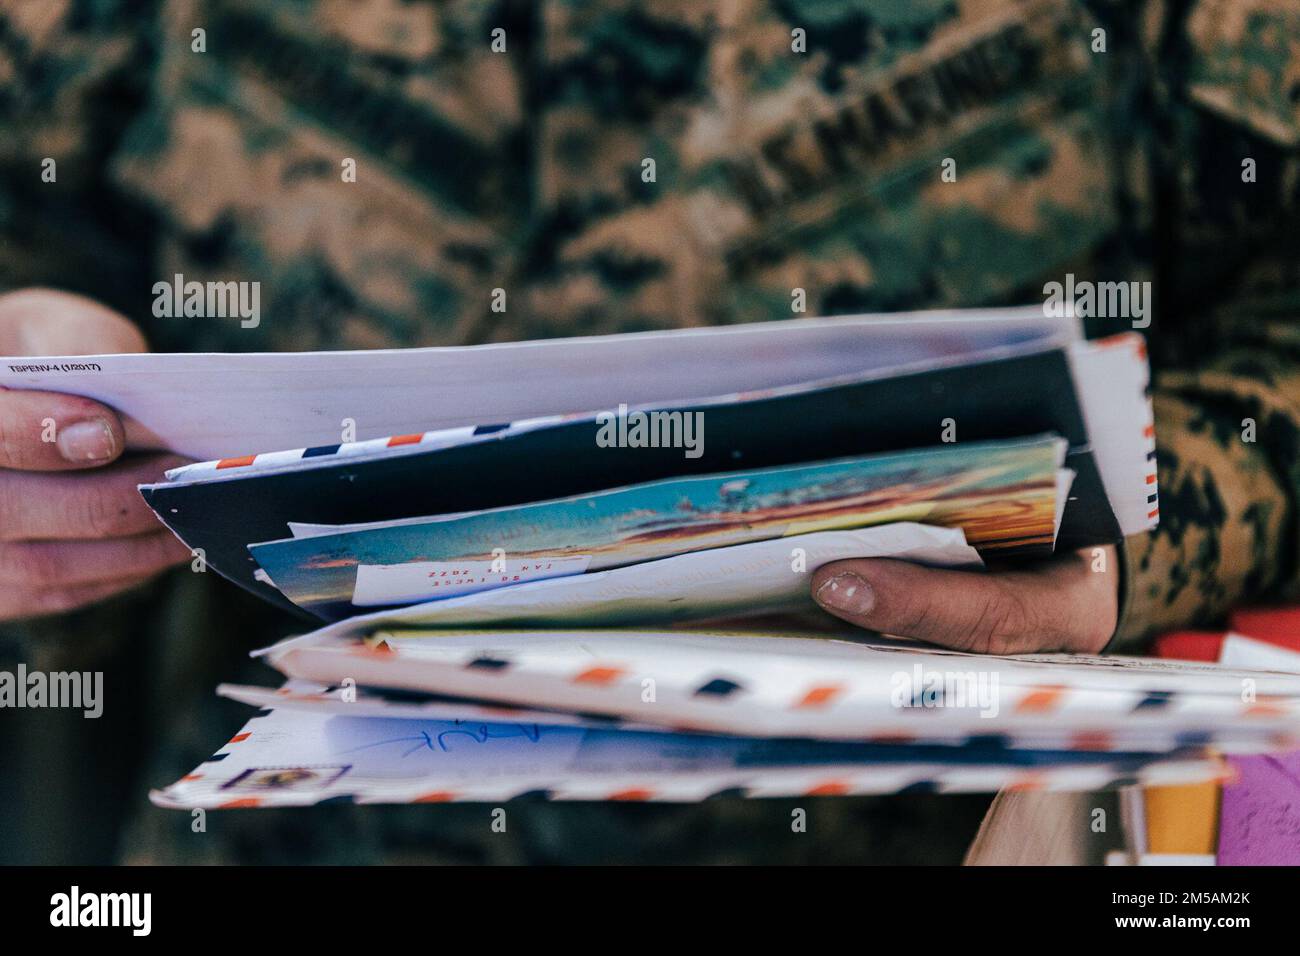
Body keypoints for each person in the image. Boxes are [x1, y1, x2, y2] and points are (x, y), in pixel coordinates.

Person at [0, 0, 1295, 864]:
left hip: (947, 826)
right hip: (284, 812)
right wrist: (36, 398)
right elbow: (39, 219)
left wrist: (1140, 528)